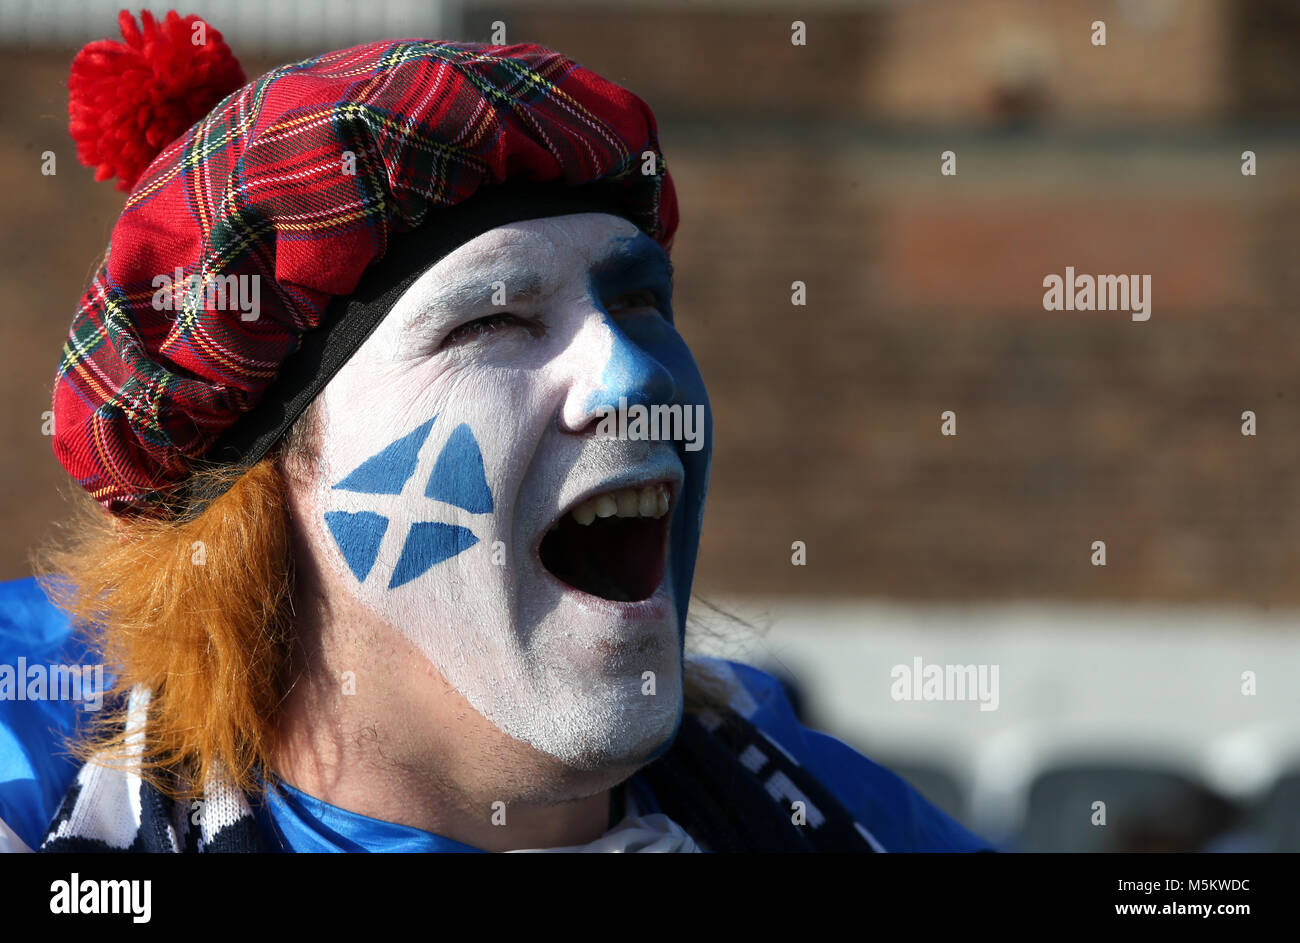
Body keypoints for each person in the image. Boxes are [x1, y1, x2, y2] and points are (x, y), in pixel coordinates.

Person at [0, 11, 993, 853]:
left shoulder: (825, 815)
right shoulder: (59, 809)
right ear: (262, 488)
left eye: (642, 301)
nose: (635, 375)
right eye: (492, 320)